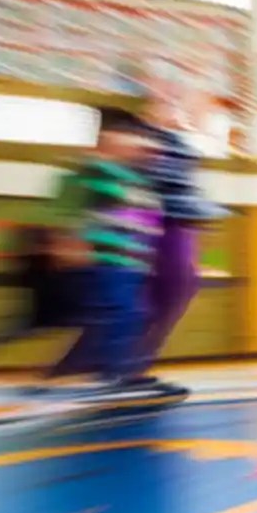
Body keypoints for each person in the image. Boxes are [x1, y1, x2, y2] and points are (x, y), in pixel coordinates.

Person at [43, 108, 162, 390]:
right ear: (110, 139)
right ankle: (114, 374)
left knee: (127, 315)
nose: (139, 146)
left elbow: (145, 218)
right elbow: (70, 209)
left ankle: (103, 370)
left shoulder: (134, 178)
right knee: (121, 313)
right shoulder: (95, 171)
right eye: (131, 138)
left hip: (131, 263)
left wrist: (147, 254)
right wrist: (68, 242)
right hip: (106, 260)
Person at [133, 89, 227, 388]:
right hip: (156, 221)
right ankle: (128, 365)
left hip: (179, 221)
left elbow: (186, 179)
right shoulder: (145, 139)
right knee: (155, 294)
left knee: (179, 288)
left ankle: (135, 363)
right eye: (164, 102)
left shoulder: (177, 141)